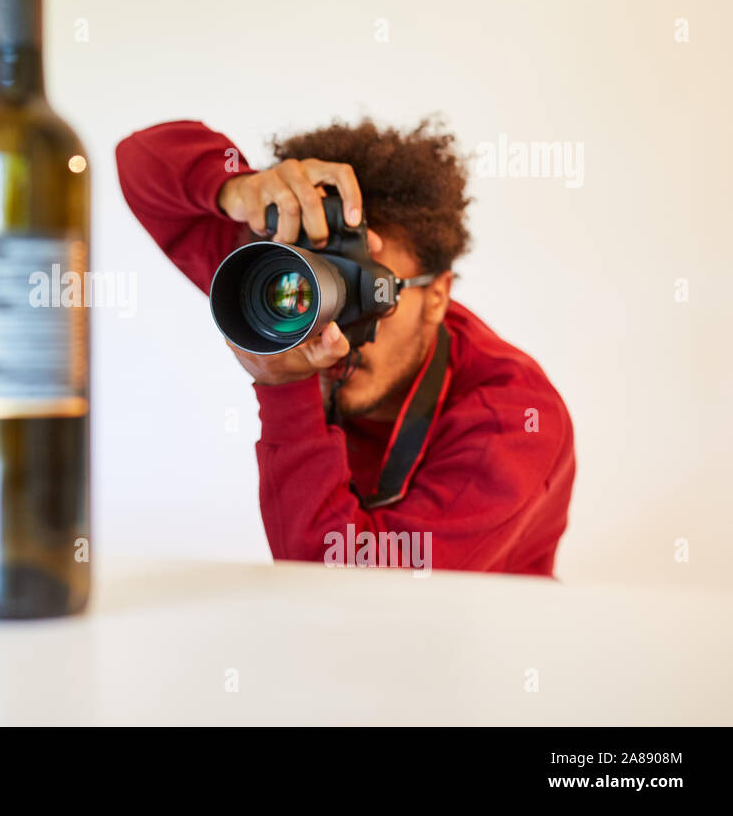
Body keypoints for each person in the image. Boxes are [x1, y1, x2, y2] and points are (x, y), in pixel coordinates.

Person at [115, 118, 574, 575]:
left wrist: (287, 389)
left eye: (366, 293)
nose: (330, 328)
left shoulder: (515, 421)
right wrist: (236, 189)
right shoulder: (273, 290)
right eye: (315, 283)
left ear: (436, 296)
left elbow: (346, 591)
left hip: (470, 637)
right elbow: (138, 158)